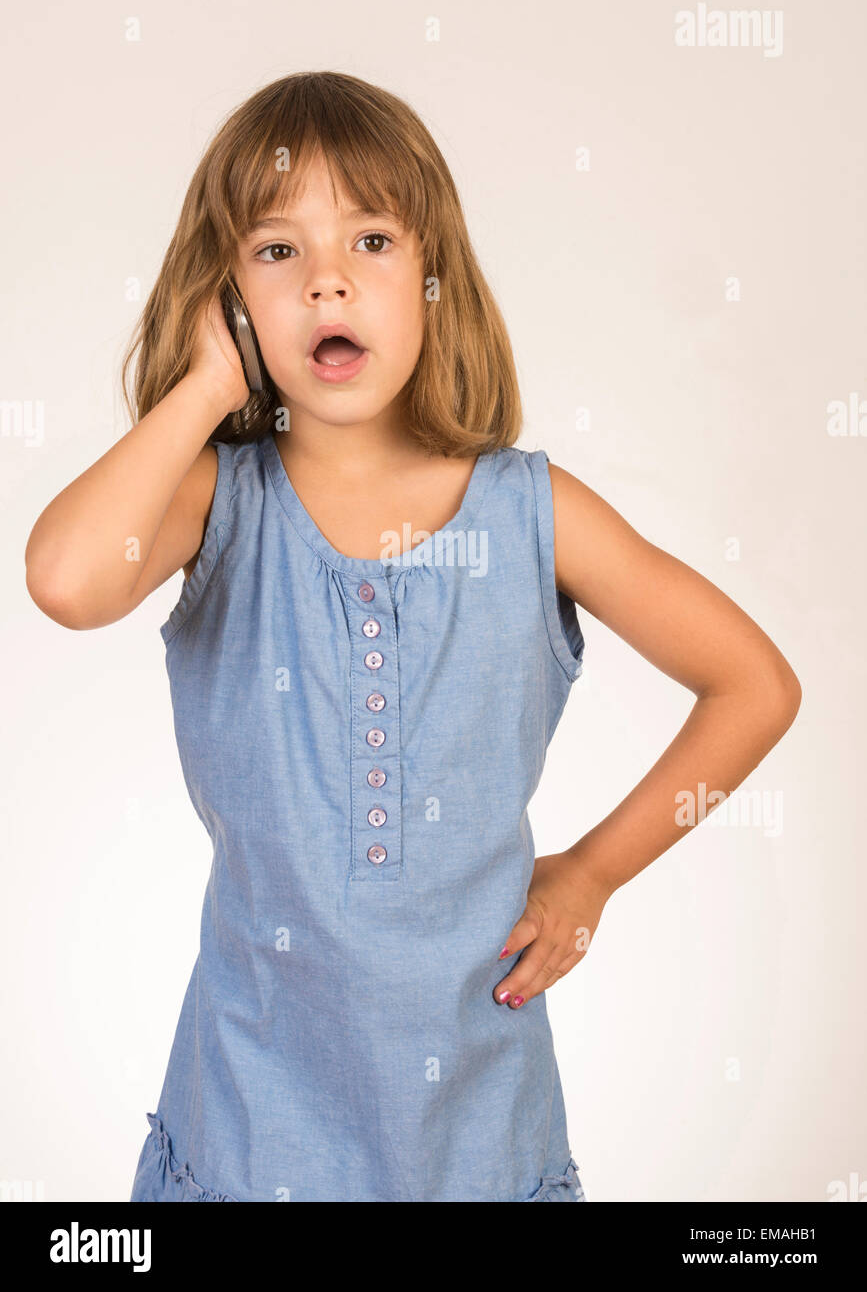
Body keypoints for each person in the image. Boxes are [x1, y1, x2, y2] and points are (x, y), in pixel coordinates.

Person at [24, 70, 801, 1202]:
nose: (328, 277)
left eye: (373, 239)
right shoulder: (215, 503)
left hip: (478, 1142)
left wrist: (591, 874)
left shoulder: (533, 512)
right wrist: (201, 389)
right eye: (276, 251)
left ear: (435, 279)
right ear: (227, 295)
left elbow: (754, 684)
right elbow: (63, 579)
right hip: (249, 1129)